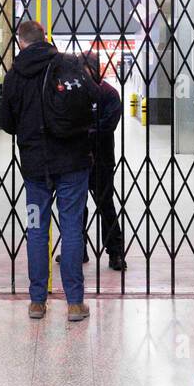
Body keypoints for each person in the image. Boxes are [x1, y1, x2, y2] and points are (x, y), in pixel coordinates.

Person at [0, 20, 93, 322]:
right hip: (73, 162)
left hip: (35, 169)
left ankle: (37, 302)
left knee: (36, 229)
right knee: (71, 227)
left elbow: (6, 124)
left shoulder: (14, 76)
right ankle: (75, 303)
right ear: (45, 38)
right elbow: (94, 99)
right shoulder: (67, 64)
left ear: (21, 41)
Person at [82, 50, 127, 270]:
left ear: (93, 68)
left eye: (85, 68)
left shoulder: (109, 93)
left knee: (105, 204)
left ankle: (115, 252)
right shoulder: (76, 91)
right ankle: (77, 249)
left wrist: (83, 131)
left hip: (102, 159)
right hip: (78, 158)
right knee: (76, 206)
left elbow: (109, 124)